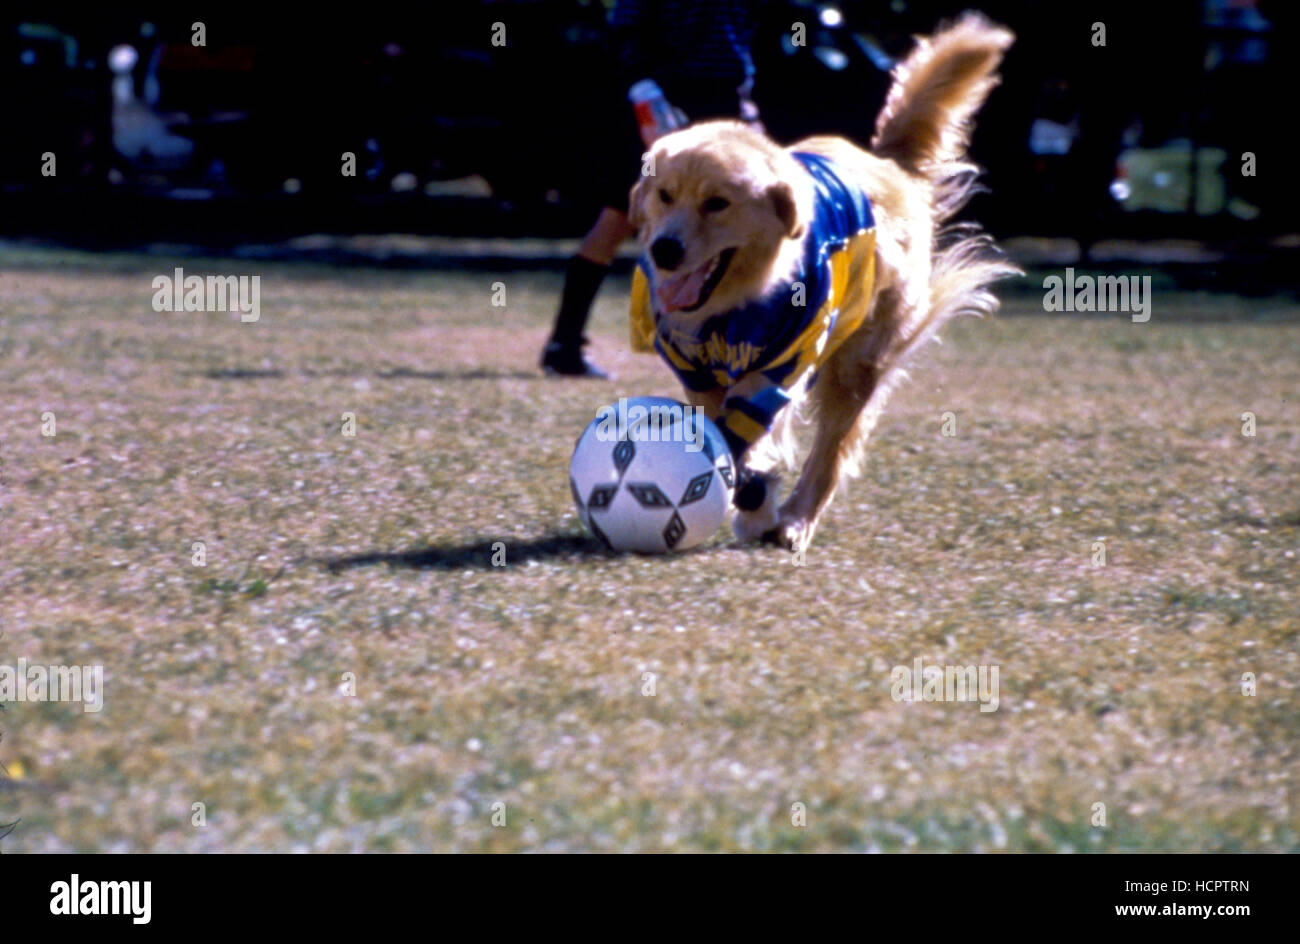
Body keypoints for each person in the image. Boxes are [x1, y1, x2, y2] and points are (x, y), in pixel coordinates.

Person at [540, 0, 760, 378]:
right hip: (663, 100)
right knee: (621, 213)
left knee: (732, 221)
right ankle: (565, 341)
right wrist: (643, 87)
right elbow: (626, 31)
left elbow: (744, 30)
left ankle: (731, 345)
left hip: (723, 102)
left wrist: (745, 93)